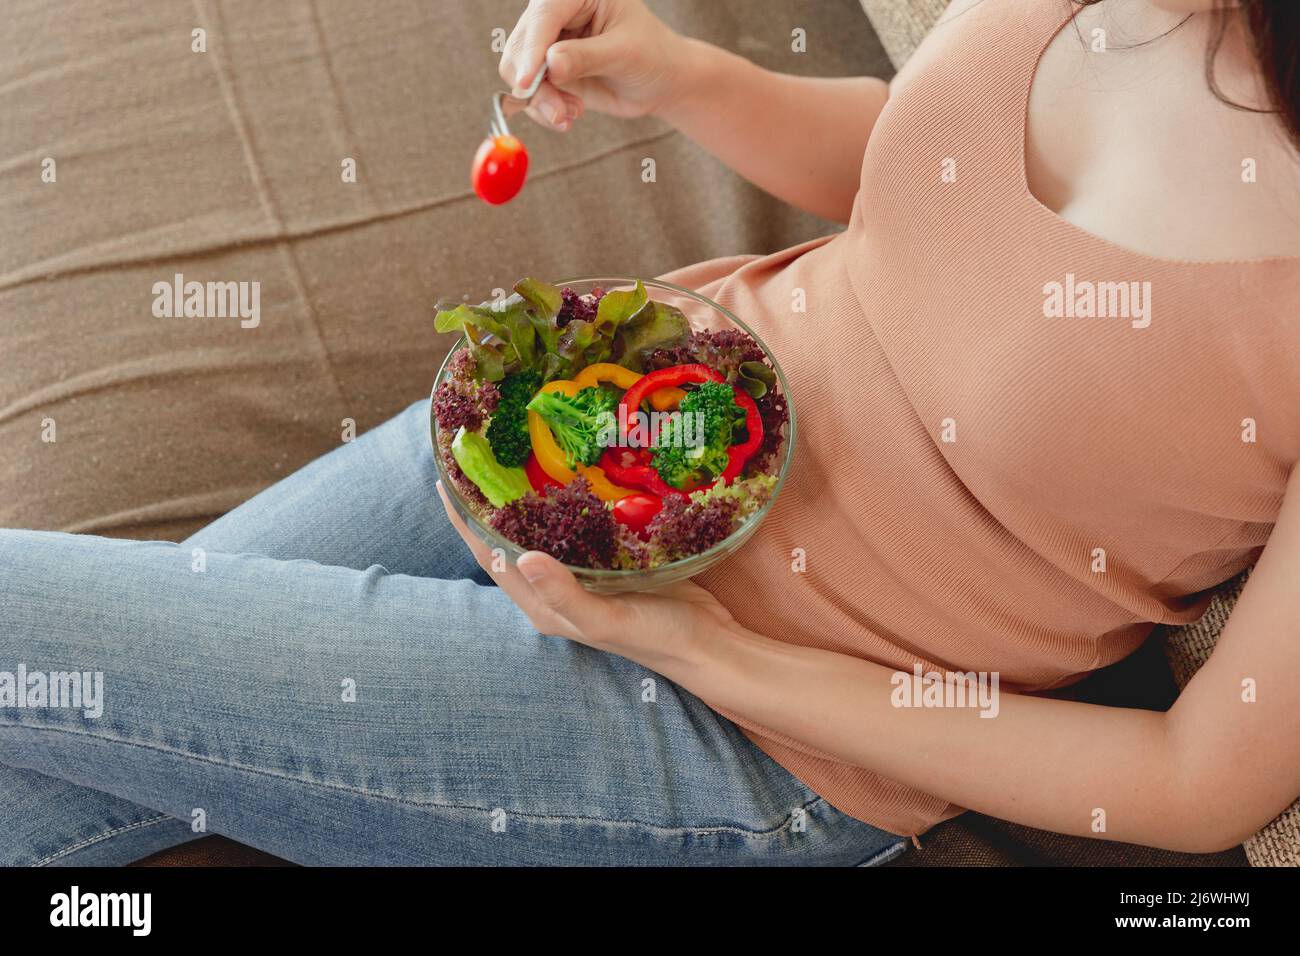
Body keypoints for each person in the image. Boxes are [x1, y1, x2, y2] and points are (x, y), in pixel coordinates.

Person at [2, 0, 1297, 866]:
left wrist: (714, 657)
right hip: (587, 421)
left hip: (739, 726)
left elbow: (1203, 779)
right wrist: (685, 76)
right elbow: (922, 187)